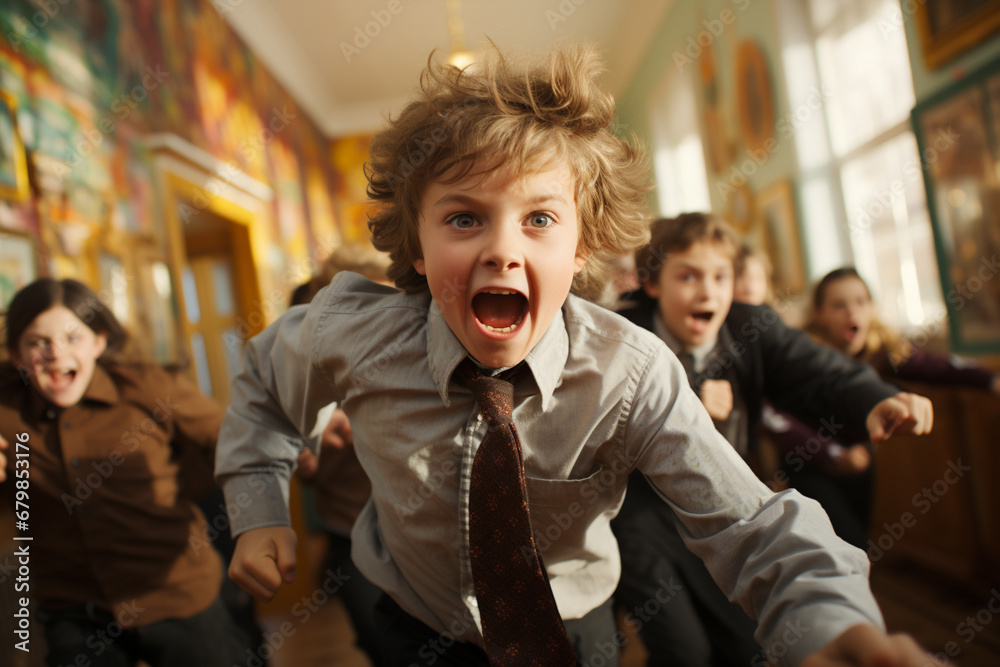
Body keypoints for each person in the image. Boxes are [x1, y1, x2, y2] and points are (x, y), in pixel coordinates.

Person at [213, 45, 943, 667]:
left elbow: (747, 522)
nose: (502, 249)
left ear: (582, 246)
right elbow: (263, 387)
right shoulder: (351, 332)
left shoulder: (631, 371)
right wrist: (258, 502)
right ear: (416, 243)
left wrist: (829, 622)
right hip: (412, 621)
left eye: (539, 218)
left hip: (572, 627)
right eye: (464, 217)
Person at [610, 214, 936, 665]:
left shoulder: (750, 326)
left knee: (745, 649)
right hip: (637, 513)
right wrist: (688, 394)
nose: (707, 293)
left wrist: (876, 398)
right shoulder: (623, 336)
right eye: (687, 276)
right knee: (684, 651)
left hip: (718, 511)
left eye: (720, 276)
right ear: (652, 283)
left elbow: (820, 370)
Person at [0, 278, 250, 667]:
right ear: (16, 355)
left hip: (177, 594)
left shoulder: (149, 387)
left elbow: (236, 440)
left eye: (72, 337)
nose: (55, 353)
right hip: (74, 610)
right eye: (37, 342)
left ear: (99, 342)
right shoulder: (6, 409)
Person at [762, 267, 1000, 548]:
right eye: (838, 305)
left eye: (861, 301)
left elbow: (937, 366)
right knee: (838, 545)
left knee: (859, 545)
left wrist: (990, 380)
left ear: (872, 307)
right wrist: (833, 455)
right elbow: (772, 414)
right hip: (809, 465)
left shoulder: (881, 349)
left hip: (860, 461)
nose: (852, 312)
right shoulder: (799, 358)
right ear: (819, 314)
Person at [289, 243, 391, 666]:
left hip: (432, 537)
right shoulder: (310, 372)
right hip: (353, 535)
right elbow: (303, 463)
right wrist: (309, 444)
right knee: (386, 646)